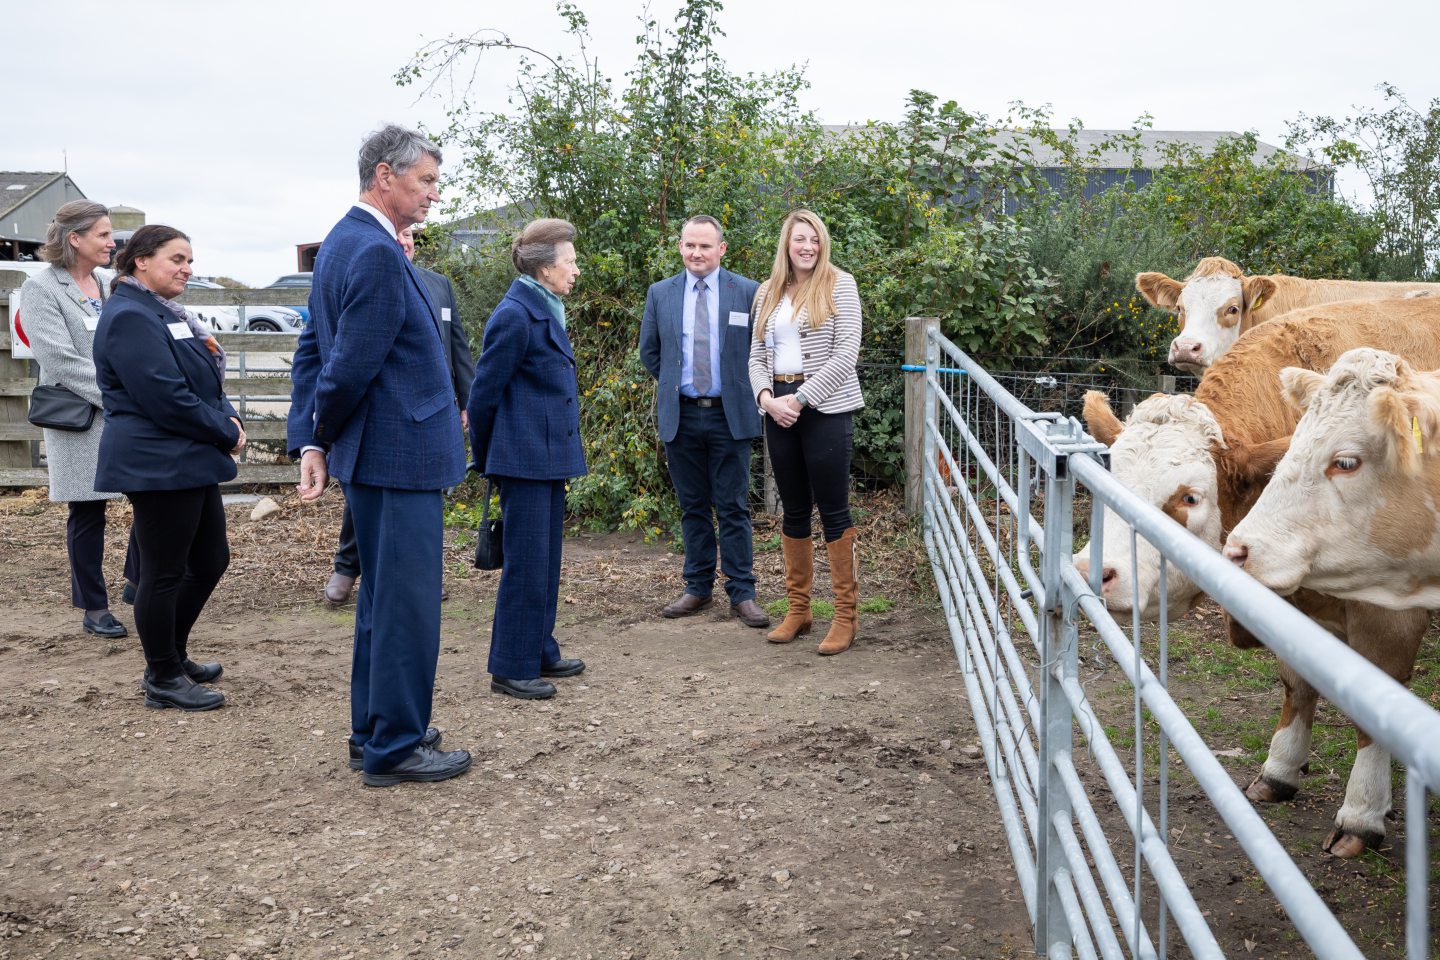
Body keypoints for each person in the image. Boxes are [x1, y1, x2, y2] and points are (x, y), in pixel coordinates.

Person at [288, 124, 472, 787]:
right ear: (384, 177)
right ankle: (396, 746)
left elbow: (315, 352)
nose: (433, 193)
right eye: (425, 180)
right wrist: (319, 435)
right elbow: (344, 367)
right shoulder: (370, 251)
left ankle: (374, 731)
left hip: (382, 453)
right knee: (406, 605)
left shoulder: (345, 241)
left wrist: (314, 437)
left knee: (382, 602)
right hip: (398, 453)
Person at [92, 225, 241, 711]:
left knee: (209, 560)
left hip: (187, 458)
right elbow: (166, 398)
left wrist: (227, 416)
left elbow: (197, 379)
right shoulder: (129, 315)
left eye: (190, 260)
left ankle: (171, 656)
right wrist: (224, 429)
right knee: (163, 572)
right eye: (177, 258)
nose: (187, 269)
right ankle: (161, 676)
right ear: (141, 261)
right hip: (157, 459)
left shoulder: (160, 311)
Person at [466, 218, 588, 701]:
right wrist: (492, 458)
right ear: (544, 268)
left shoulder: (544, 307)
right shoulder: (515, 314)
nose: (576, 269)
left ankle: (540, 648)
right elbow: (483, 396)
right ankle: (511, 666)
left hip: (546, 457)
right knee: (526, 563)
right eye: (571, 261)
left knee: (545, 560)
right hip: (521, 461)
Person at [323, 224, 475, 606]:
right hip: (387, 414)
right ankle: (346, 566)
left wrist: (464, 400)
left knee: (425, 500)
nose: (405, 242)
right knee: (369, 500)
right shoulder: (371, 273)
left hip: (434, 410)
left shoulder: (438, 284)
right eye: (400, 235)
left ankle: (421, 572)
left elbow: (458, 345)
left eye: (410, 237)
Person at [639, 215, 767, 627]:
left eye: (705, 246)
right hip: (682, 415)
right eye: (690, 245)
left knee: (732, 507)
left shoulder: (747, 292)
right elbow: (651, 353)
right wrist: (680, 384)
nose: (696, 253)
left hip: (730, 416)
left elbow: (759, 352)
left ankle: (742, 594)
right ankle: (697, 588)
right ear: (680, 246)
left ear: (721, 249)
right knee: (692, 507)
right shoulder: (661, 293)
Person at [747, 210, 865, 655]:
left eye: (815, 240)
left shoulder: (841, 284)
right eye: (800, 239)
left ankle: (846, 617)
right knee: (793, 511)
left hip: (825, 407)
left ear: (823, 244)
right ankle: (799, 610)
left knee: (834, 511)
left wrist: (800, 399)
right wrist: (766, 399)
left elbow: (845, 354)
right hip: (778, 408)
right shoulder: (768, 291)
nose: (808, 247)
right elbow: (756, 352)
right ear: (787, 243)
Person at [20, 200, 138, 639]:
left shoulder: (109, 285)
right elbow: (60, 361)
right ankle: (93, 606)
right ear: (75, 238)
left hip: (123, 411)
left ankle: (137, 580)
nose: (112, 242)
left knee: (150, 494)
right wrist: (119, 396)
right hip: (82, 416)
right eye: (104, 235)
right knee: (88, 513)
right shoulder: (42, 289)